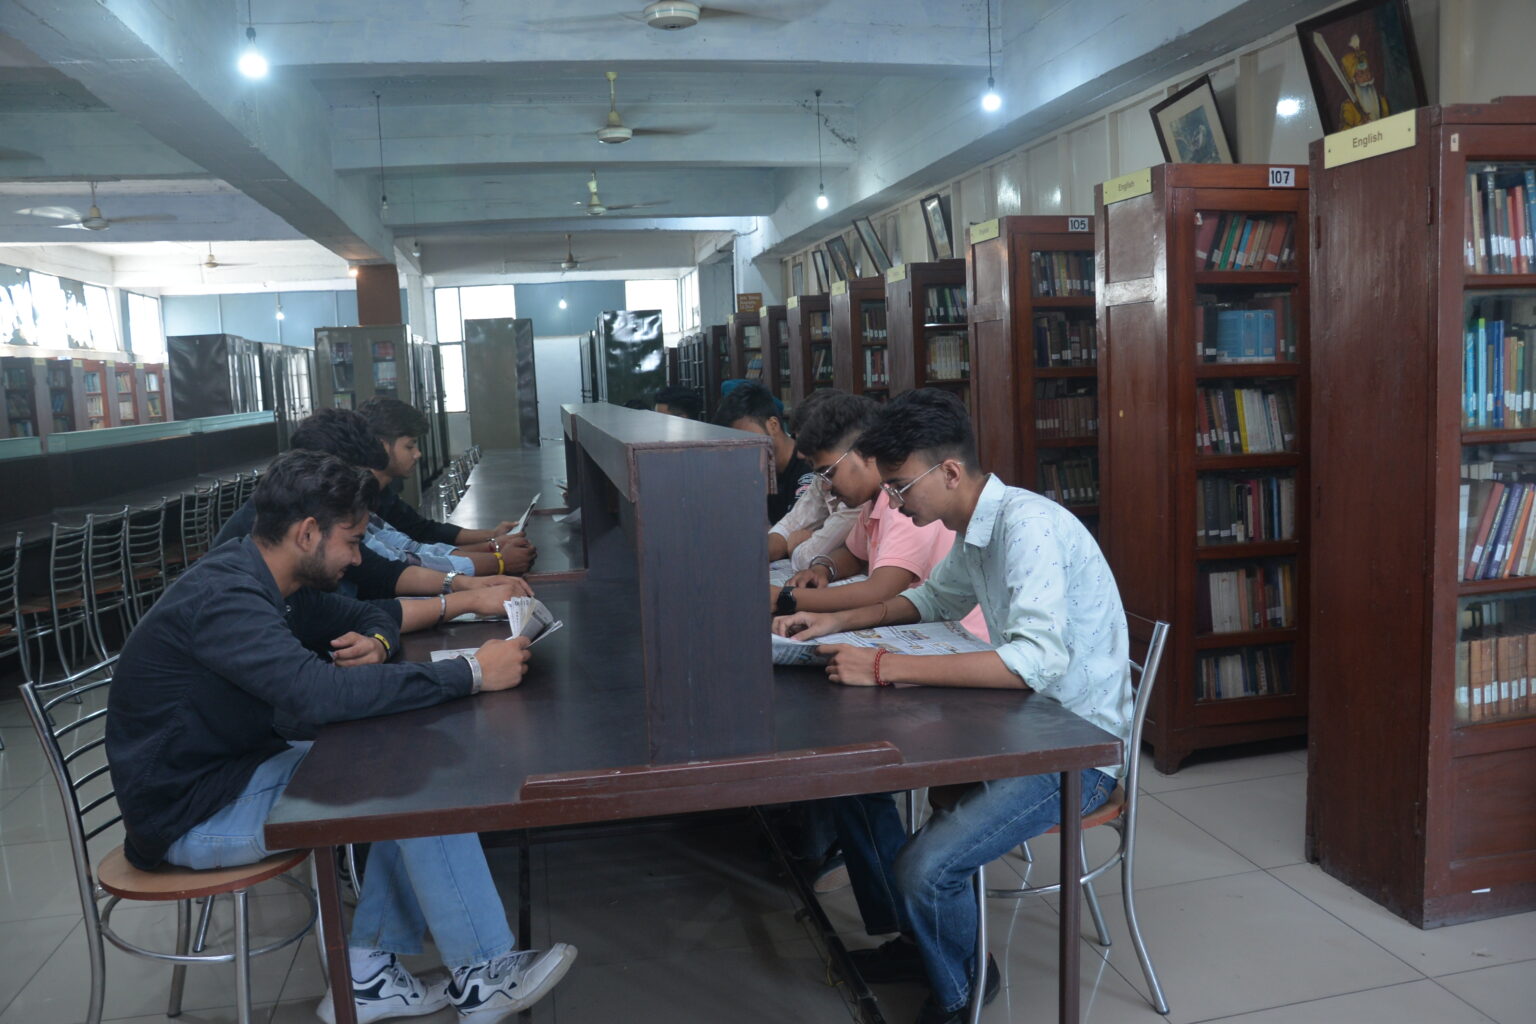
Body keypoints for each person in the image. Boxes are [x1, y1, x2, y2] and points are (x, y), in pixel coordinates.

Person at [106, 450, 576, 1023]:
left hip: (233, 772)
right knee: (410, 776)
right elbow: (317, 694)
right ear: (307, 533)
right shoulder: (227, 599)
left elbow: (372, 613)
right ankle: (484, 975)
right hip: (191, 813)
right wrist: (472, 671)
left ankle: (369, 975)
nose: (358, 558)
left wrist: (386, 640)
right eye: (351, 542)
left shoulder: (265, 577)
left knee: (405, 757)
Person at [772, 389, 1131, 1024]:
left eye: (901, 487)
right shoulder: (975, 527)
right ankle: (918, 942)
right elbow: (933, 601)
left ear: (950, 472)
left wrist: (882, 666)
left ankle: (964, 987)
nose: (895, 502)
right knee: (853, 786)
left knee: (925, 868)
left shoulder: (1028, 527)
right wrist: (838, 623)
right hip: (1021, 723)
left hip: (1075, 749)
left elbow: (1033, 662)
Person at [214, 410, 533, 599]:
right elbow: (383, 572)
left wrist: (483, 567)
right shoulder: (279, 534)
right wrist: (491, 566)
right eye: (409, 445)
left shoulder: (329, 507)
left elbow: (403, 550)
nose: (354, 557)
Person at [768, 391, 987, 643]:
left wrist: (786, 598)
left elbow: (881, 591)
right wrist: (824, 569)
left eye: (829, 473)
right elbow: (855, 554)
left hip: (960, 636)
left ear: (867, 456)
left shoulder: (907, 504)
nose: (826, 486)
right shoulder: (877, 501)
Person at [357, 396, 539, 548]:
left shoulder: (383, 492)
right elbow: (407, 559)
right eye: (409, 446)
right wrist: (495, 552)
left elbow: (424, 530)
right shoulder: (357, 501)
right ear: (381, 446)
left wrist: (492, 534)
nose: (418, 454)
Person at [767, 389, 859, 571]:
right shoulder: (821, 477)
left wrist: (806, 540)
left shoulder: (856, 490)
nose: (800, 454)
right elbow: (787, 526)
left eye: (808, 445)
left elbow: (806, 557)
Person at [714, 381, 814, 523]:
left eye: (748, 438)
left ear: (773, 425)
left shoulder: (808, 466)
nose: (743, 449)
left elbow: (797, 529)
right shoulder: (754, 471)